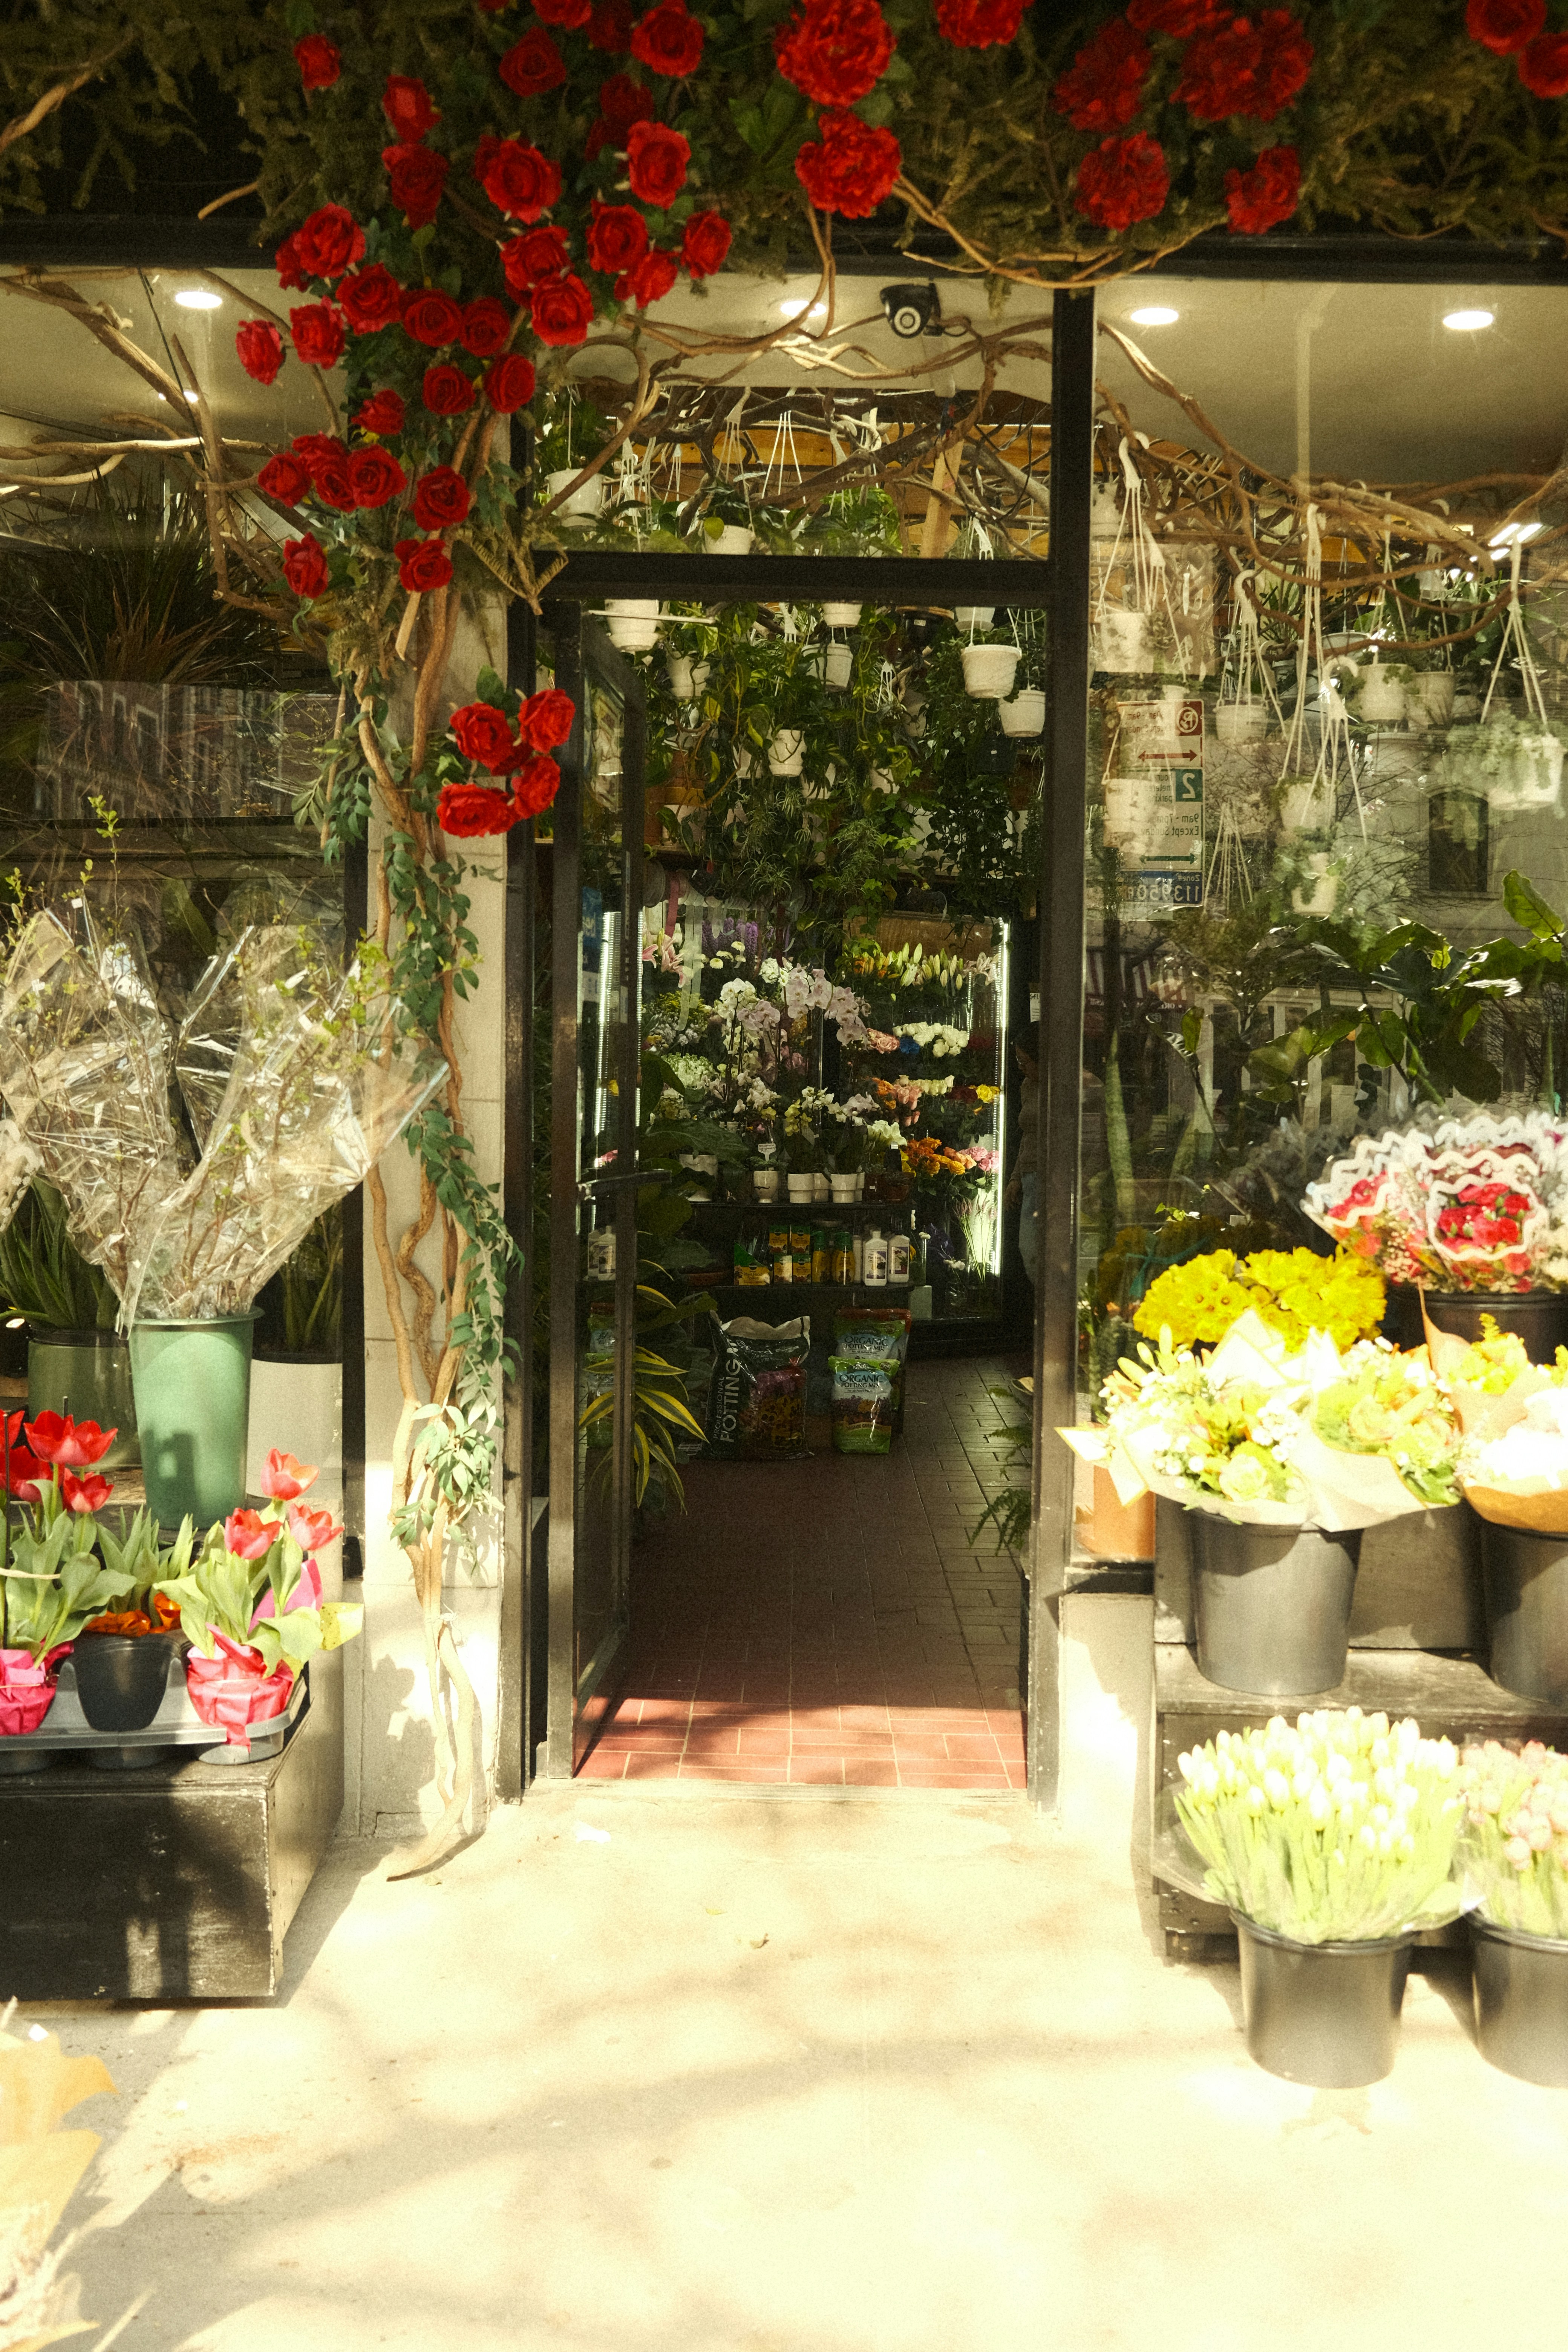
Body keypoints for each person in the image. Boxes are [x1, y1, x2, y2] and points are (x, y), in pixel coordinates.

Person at [1003, 1023, 1040, 1287]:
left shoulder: (1074, 1087)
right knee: (1029, 1251)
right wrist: (1016, 1178)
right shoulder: (1028, 1086)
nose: (1020, 1068)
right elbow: (1027, 1135)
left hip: (1056, 1181)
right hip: (1031, 1179)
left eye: (1025, 1061)